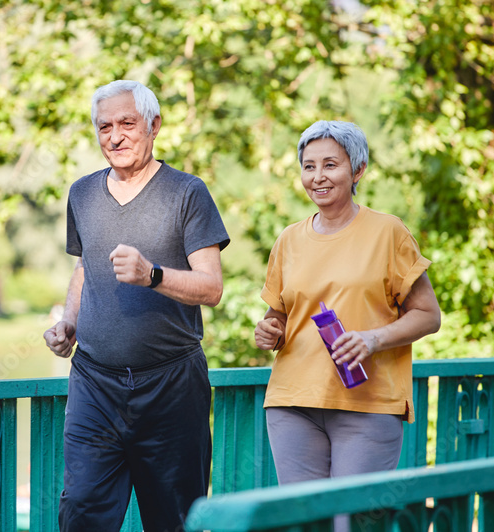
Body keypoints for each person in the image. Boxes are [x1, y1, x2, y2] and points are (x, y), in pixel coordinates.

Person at [43, 80, 230, 532]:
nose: (115, 136)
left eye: (127, 123)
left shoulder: (187, 192)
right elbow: (85, 268)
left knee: (174, 519)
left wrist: (153, 275)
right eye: (104, 127)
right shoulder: (82, 194)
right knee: (81, 510)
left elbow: (212, 287)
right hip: (94, 382)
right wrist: (69, 321)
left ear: (154, 125)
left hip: (171, 385)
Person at [254, 121, 441, 500]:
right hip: (293, 402)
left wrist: (372, 340)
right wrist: (269, 329)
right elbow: (281, 315)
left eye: (330, 165)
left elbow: (428, 315)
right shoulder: (288, 239)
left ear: (358, 170)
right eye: (309, 166)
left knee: (351, 521)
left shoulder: (389, 232)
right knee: (305, 522)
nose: (318, 177)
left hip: (367, 404)